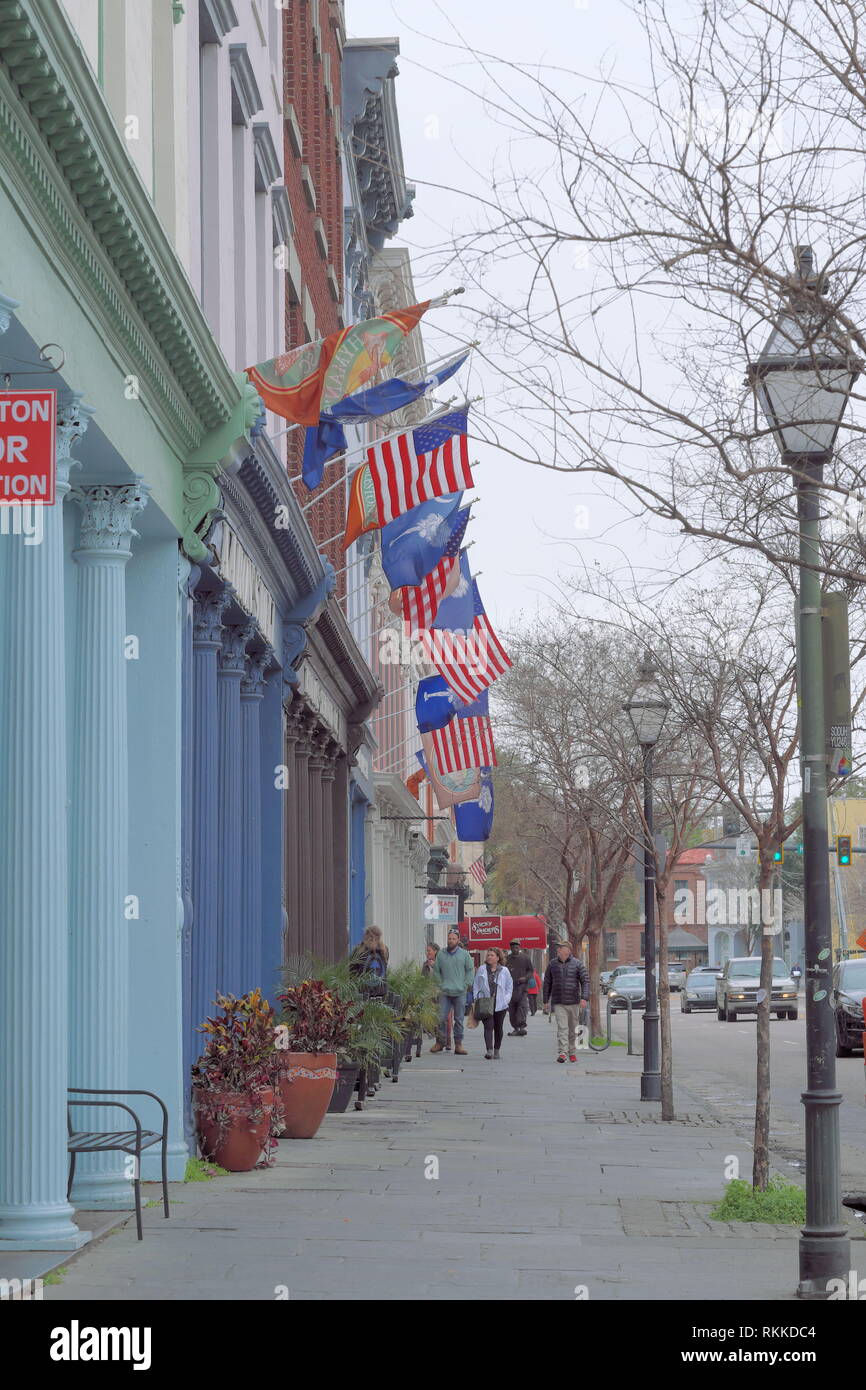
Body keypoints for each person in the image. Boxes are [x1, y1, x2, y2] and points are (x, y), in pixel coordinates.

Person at [543, 939, 589, 1063]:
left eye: (560, 947)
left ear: (568, 950)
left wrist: (584, 998)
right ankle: (563, 1052)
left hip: (574, 1002)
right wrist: (545, 1001)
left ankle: (572, 1052)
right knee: (562, 1028)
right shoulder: (552, 964)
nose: (558, 949)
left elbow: (585, 981)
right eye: (558, 948)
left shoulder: (578, 964)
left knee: (573, 1029)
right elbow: (547, 982)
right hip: (559, 1002)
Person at [430, 928, 475, 1056]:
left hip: (460, 992)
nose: (451, 941)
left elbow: (470, 971)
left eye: (453, 938)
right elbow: (437, 971)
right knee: (440, 1018)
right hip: (445, 991)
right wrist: (440, 984)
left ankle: (458, 1044)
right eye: (449, 938)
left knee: (459, 1019)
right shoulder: (441, 954)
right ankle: (440, 1042)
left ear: (458, 940)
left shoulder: (465, 954)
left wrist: (466, 985)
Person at [473, 947, 513, 1059]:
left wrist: (507, 998)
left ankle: (496, 1049)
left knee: (498, 1027)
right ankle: (489, 1050)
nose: (489, 957)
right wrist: (476, 997)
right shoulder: (482, 969)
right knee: (488, 1026)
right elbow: (476, 984)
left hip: (500, 1003)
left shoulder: (504, 970)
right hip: (486, 1002)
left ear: (498, 957)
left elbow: (509, 986)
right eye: (488, 955)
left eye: (492, 955)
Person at [506, 938, 535, 1036]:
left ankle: (522, 1027)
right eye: (513, 947)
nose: (515, 949)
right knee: (512, 1009)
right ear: (510, 948)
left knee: (522, 1007)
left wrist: (525, 978)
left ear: (519, 947)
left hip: (522, 987)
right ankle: (515, 1028)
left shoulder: (525, 958)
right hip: (510, 989)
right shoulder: (507, 959)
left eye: (517, 947)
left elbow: (531, 971)